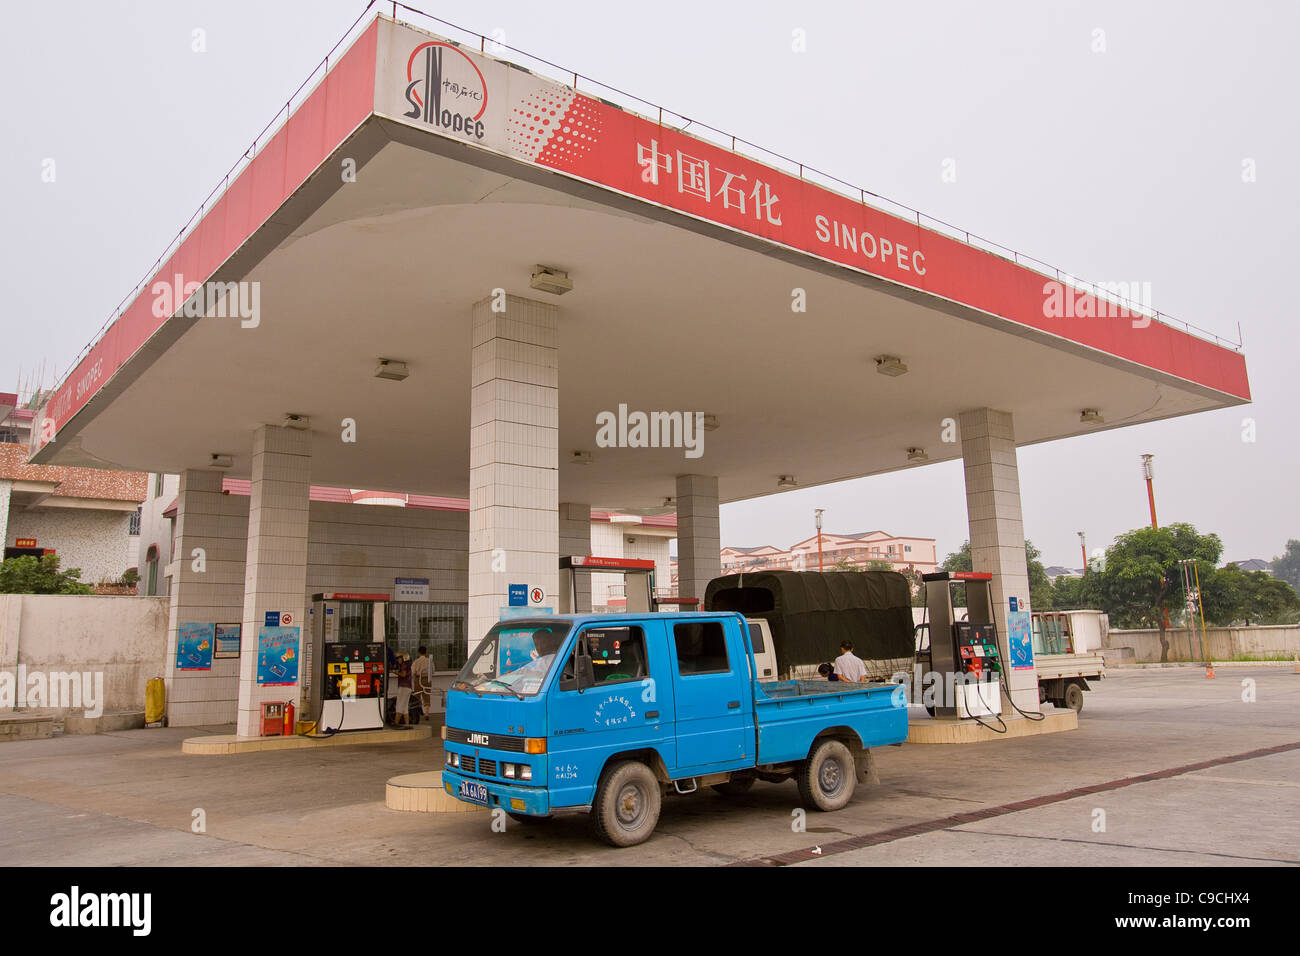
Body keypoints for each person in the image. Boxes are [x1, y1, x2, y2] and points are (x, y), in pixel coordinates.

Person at [411, 645, 432, 723]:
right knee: (427, 696)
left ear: (419, 653)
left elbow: (412, 672)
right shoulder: (429, 661)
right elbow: (433, 671)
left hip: (418, 679)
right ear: (425, 652)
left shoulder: (416, 661)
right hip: (427, 679)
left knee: (417, 696)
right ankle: (427, 713)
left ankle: (418, 712)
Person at [394, 652, 412, 725]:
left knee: (399, 706)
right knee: (405, 708)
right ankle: (407, 724)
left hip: (403, 687)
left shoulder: (404, 665)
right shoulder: (408, 665)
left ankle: (396, 723)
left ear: (403, 658)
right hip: (408, 687)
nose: (398, 660)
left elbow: (403, 674)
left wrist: (395, 672)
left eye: (399, 658)